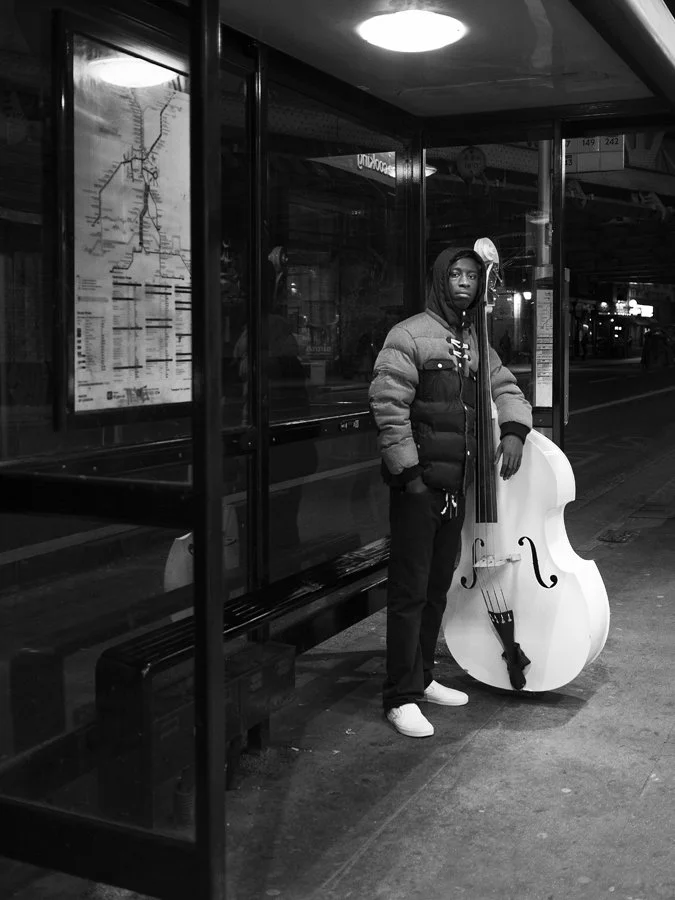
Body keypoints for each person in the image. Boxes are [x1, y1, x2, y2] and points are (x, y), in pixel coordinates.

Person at [368, 245, 533, 738]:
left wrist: (514, 431)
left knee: (436, 589)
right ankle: (399, 696)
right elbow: (387, 405)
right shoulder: (410, 334)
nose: (465, 281)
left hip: (456, 489)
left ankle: (423, 677)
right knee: (409, 593)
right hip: (419, 488)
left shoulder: (475, 337)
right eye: (456, 274)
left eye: (472, 276)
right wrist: (411, 476)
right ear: (441, 279)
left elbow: (506, 387)